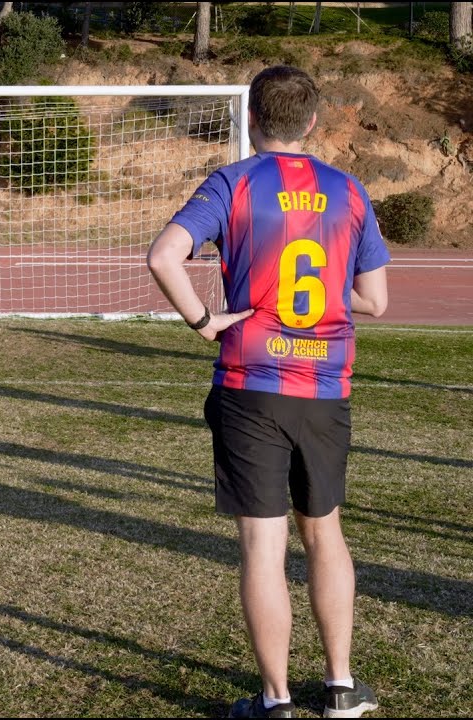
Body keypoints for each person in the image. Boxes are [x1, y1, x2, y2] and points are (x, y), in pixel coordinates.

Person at [146, 65, 390, 719]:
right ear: (312, 122)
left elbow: (164, 255)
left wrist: (203, 321)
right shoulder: (349, 191)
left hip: (250, 383)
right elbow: (376, 299)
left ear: (250, 118)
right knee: (326, 535)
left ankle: (277, 700)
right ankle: (340, 686)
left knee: (263, 544)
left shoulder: (234, 182)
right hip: (323, 386)